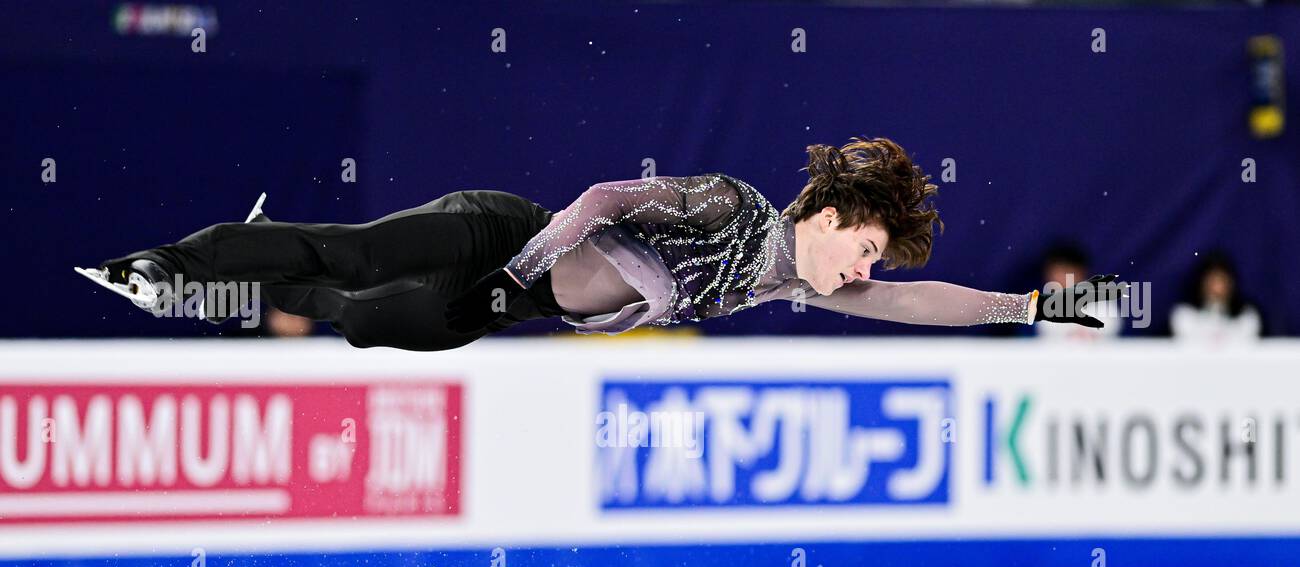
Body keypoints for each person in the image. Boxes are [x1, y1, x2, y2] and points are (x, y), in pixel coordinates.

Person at [78, 137, 1115, 351]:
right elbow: (602, 193)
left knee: (356, 319)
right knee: (353, 256)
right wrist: (515, 271)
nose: (867, 272)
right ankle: (170, 261)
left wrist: (1030, 307)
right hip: (497, 236)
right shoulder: (730, 206)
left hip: (503, 310)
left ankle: (244, 275)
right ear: (834, 217)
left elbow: (909, 306)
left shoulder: (777, 284)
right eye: (869, 248)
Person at [1170, 251, 1262, 345]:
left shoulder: (1247, 316)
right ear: (1201, 283)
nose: (1217, 288)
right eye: (1212, 281)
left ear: (1232, 283)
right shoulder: (1184, 315)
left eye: (1221, 280)